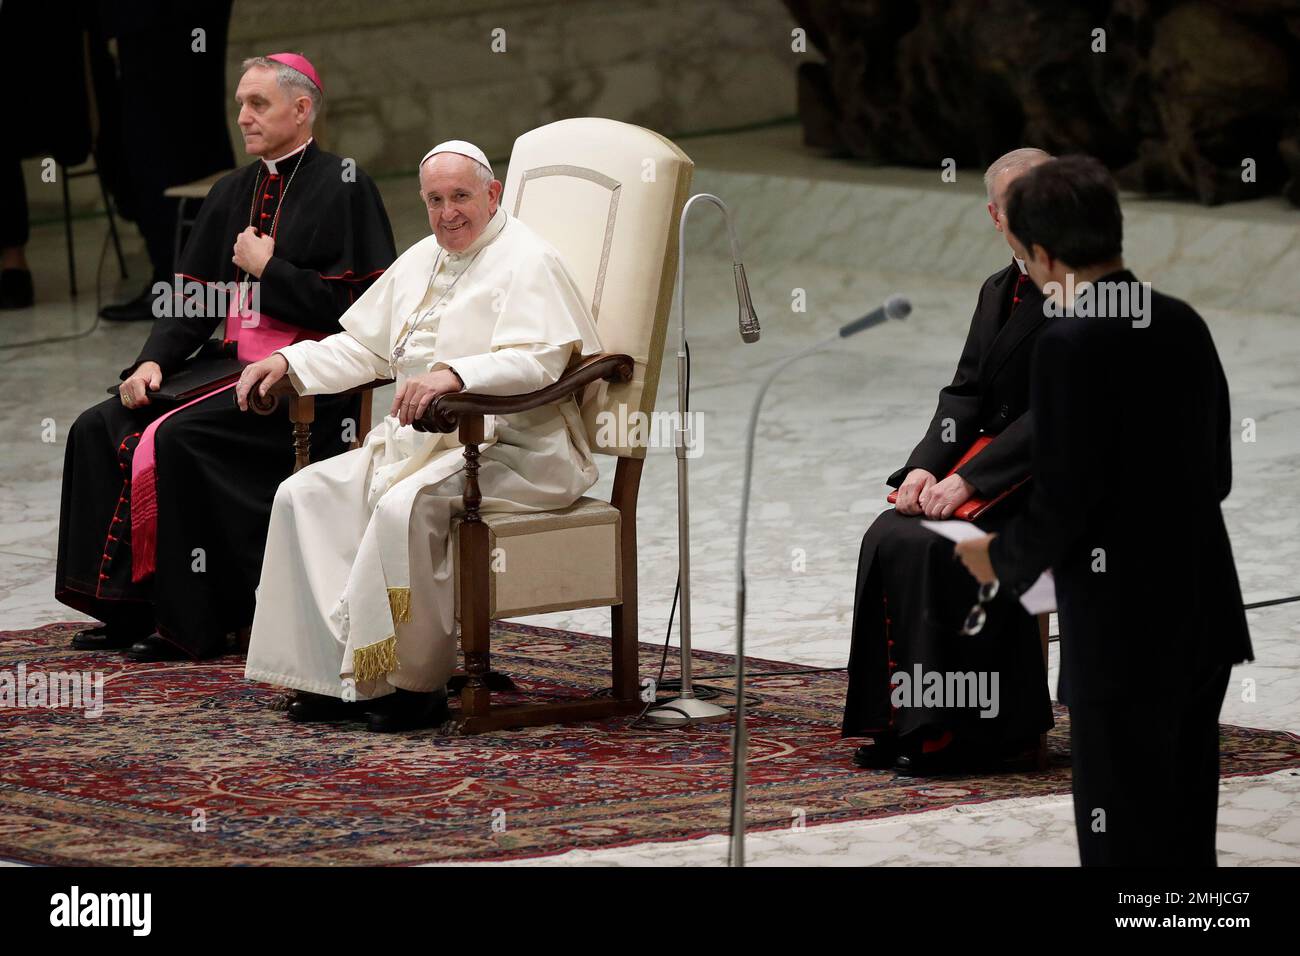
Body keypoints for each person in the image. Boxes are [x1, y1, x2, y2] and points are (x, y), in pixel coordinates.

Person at [237, 140, 602, 733]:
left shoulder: (528, 260)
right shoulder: (422, 257)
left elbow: (541, 361)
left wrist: (457, 374)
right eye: (434, 200)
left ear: (492, 194)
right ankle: (339, 677)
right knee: (303, 493)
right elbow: (366, 347)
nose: (447, 213)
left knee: (406, 508)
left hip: (512, 448)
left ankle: (414, 686)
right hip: (420, 445)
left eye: (460, 197)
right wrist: (293, 363)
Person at [956, 155, 1253, 866]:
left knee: (1119, 829)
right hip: (1203, 610)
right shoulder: (1181, 320)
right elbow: (1216, 475)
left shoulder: (1069, 342)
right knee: (1185, 826)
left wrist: (993, 557)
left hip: (1123, 628)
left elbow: (1063, 502)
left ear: (1046, 255)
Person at [55, 53, 396, 662]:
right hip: (231, 364)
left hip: (305, 380)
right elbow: (193, 300)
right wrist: (152, 360)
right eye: (240, 103)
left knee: (178, 439)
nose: (243, 116)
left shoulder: (347, 184)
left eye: (258, 104)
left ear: (301, 107)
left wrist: (271, 271)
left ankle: (193, 620)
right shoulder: (231, 190)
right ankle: (125, 607)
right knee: (97, 425)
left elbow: (362, 314)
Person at [841, 148, 1055, 774]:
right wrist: (925, 468)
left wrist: (970, 479)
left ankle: (976, 734)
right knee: (889, 534)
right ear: (996, 216)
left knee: (944, 545)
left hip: (1062, 480)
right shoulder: (997, 288)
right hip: (990, 472)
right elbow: (965, 394)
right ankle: (904, 720)